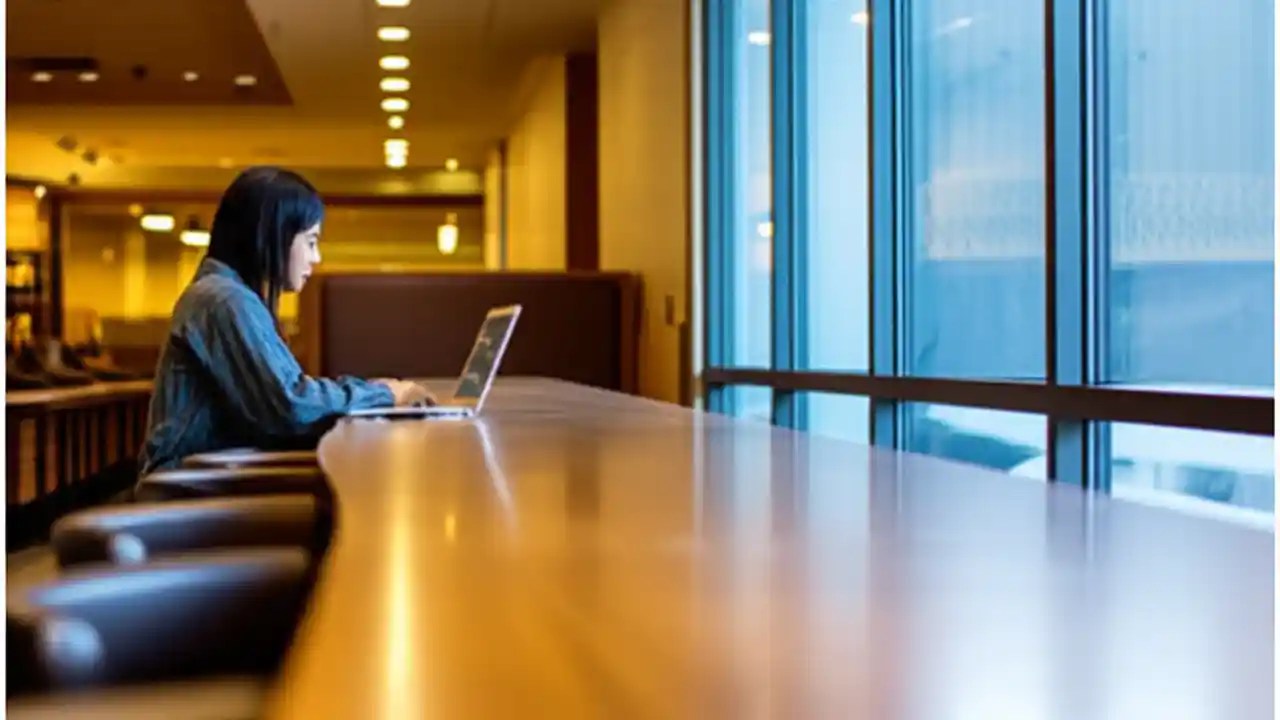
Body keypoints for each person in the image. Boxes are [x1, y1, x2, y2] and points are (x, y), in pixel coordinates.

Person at [138, 167, 429, 474]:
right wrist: (385, 395)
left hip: (209, 475)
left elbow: (282, 406)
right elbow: (292, 405)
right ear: (274, 236)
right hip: (185, 488)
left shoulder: (228, 295)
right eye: (311, 241)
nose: (315, 258)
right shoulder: (224, 300)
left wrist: (373, 394)